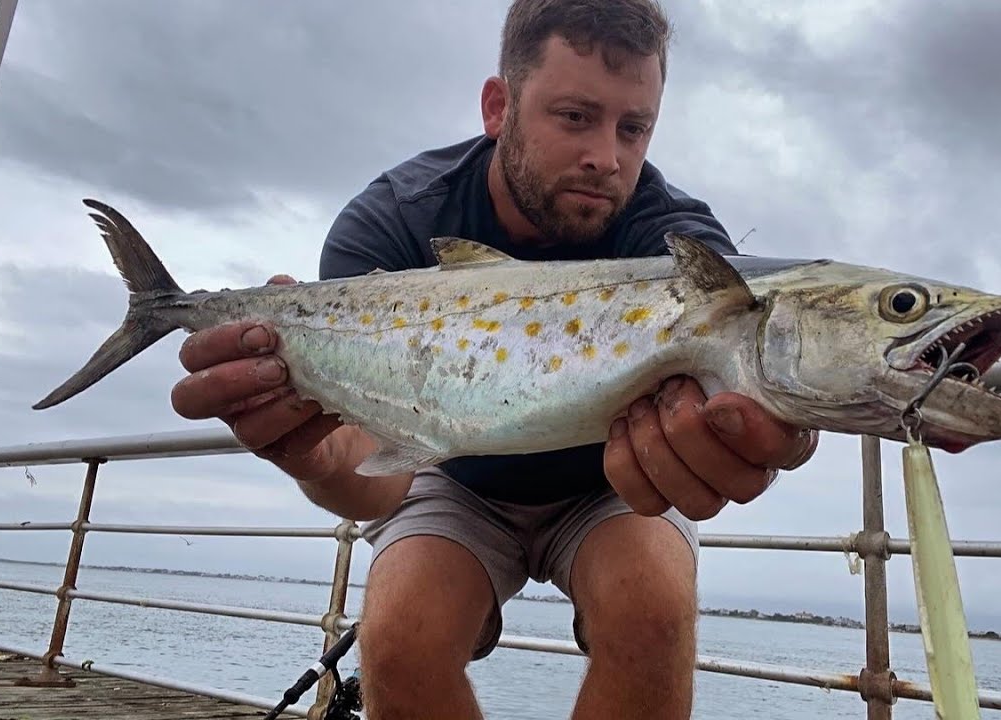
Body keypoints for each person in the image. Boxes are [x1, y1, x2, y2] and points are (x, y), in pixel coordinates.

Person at [169, 0, 818, 717]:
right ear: (498, 105)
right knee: (401, 638)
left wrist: (783, 399)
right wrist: (314, 458)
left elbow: (747, 317)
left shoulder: (677, 244)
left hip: (609, 478)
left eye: (634, 128)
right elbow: (378, 481)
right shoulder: (391, 225)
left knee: (653, 614)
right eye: (575, 116)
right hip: (453, 476)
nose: (607, 157)